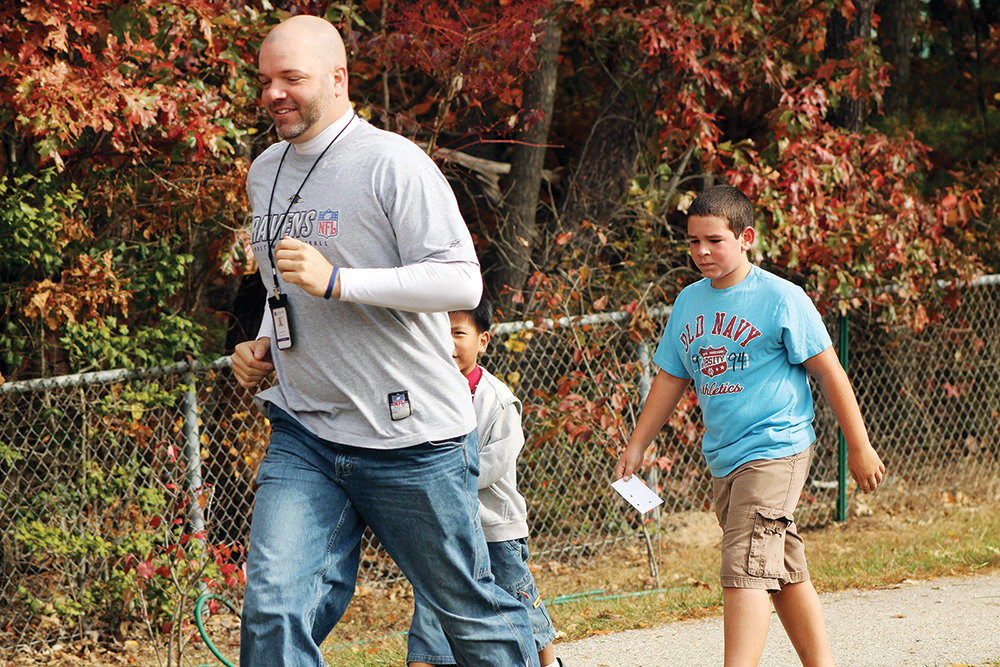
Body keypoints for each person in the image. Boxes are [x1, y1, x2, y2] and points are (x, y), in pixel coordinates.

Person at [230, 15, 538, 667]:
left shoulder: (392, 163)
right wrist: (260, 343)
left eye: (292, 78)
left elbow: (459, 278)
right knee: (273, 607)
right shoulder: (265, 173)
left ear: (338, 79)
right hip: (306, 428)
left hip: (412, 439)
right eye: (265, 81)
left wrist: (340, 281)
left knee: (467, 614)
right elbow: (278, 284)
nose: (274, 94)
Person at [615, 184, 885, 667]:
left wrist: (859, 446)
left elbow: (829, 372)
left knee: (743, 566)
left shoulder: (781, 298)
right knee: (778, 567)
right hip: (726, 456)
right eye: (694, 241)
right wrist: (637, 445)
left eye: (714, 240)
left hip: (776, 448)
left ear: (746, 238)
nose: (701, 251)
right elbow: (669, 379)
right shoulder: (688, 304)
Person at [407, 297, 562, 667]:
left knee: (518, 597)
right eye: (440, 332)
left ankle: (548, 661)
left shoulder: (498, 400)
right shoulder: (424, 392)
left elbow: (495, 462)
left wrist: (443, 475)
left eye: (459, 333)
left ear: (483, 340)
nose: (449, 342)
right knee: (432, 605)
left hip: (494, 526)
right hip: (443, 525)